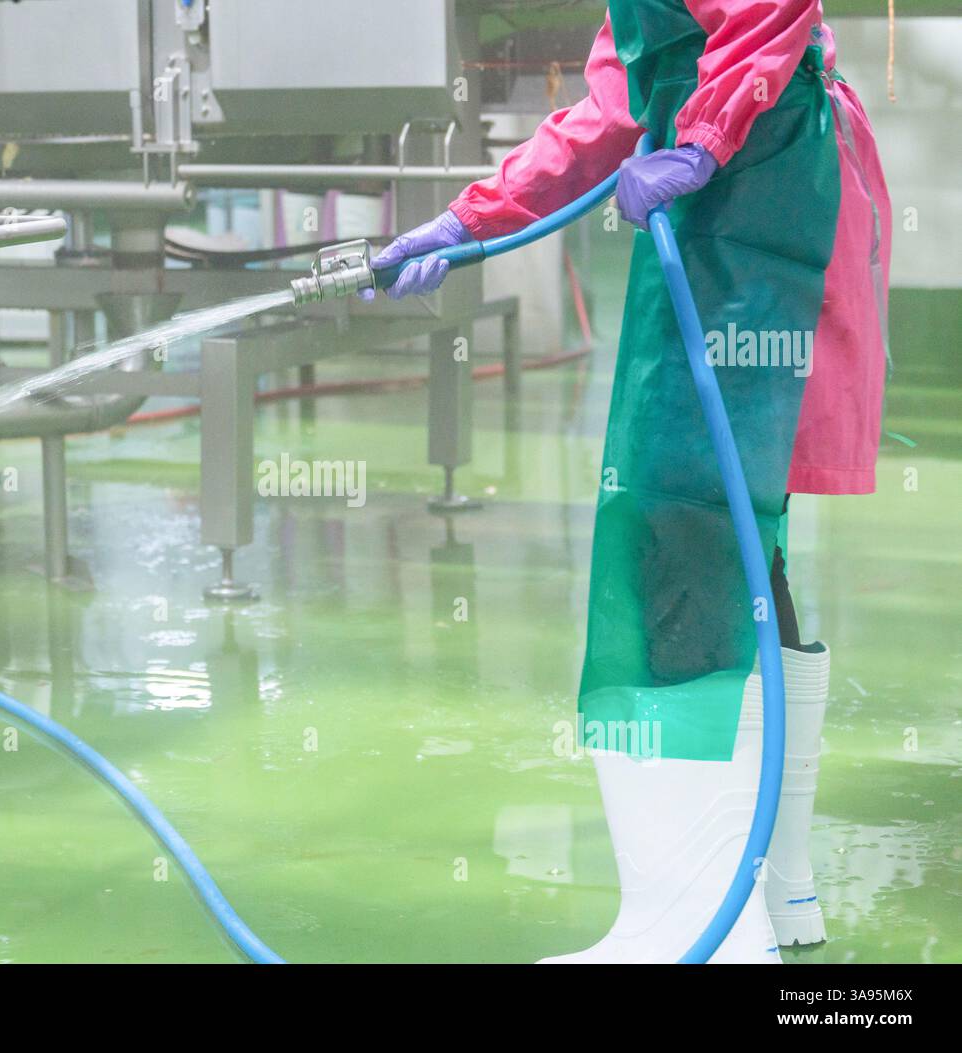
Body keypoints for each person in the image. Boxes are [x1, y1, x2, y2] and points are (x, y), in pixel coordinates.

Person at [373, 1, 890, 962]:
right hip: (745, 189)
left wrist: (699, 141)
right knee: (741, 531)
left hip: (754, 199)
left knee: (682, 519)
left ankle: (698, 923)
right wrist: (468, 217)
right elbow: (615, 98)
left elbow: (769, 10)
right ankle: (773, 893)